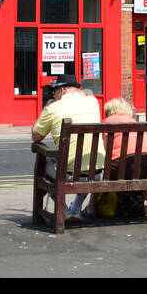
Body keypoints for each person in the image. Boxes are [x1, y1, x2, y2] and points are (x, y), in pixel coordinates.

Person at [31, 73, 102, 221]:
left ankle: (62, 208)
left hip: (68, 175)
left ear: (62, 90)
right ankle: (75, 208)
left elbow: (36, 136)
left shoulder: (53, 108)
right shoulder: (94, 102)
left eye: (54, 91)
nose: (53, 94)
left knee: (45, 163)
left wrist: (45, 108)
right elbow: (82, 94)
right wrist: (77, 89)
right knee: (86, 162)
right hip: (96, 173)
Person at [103, 97, 147, 218]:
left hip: (125, 167)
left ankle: (91, 206)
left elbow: (107, 153)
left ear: (110, 111)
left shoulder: (108, 121)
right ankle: (145, 203)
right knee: (142, 166)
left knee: (105, 170)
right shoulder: (136, 122)